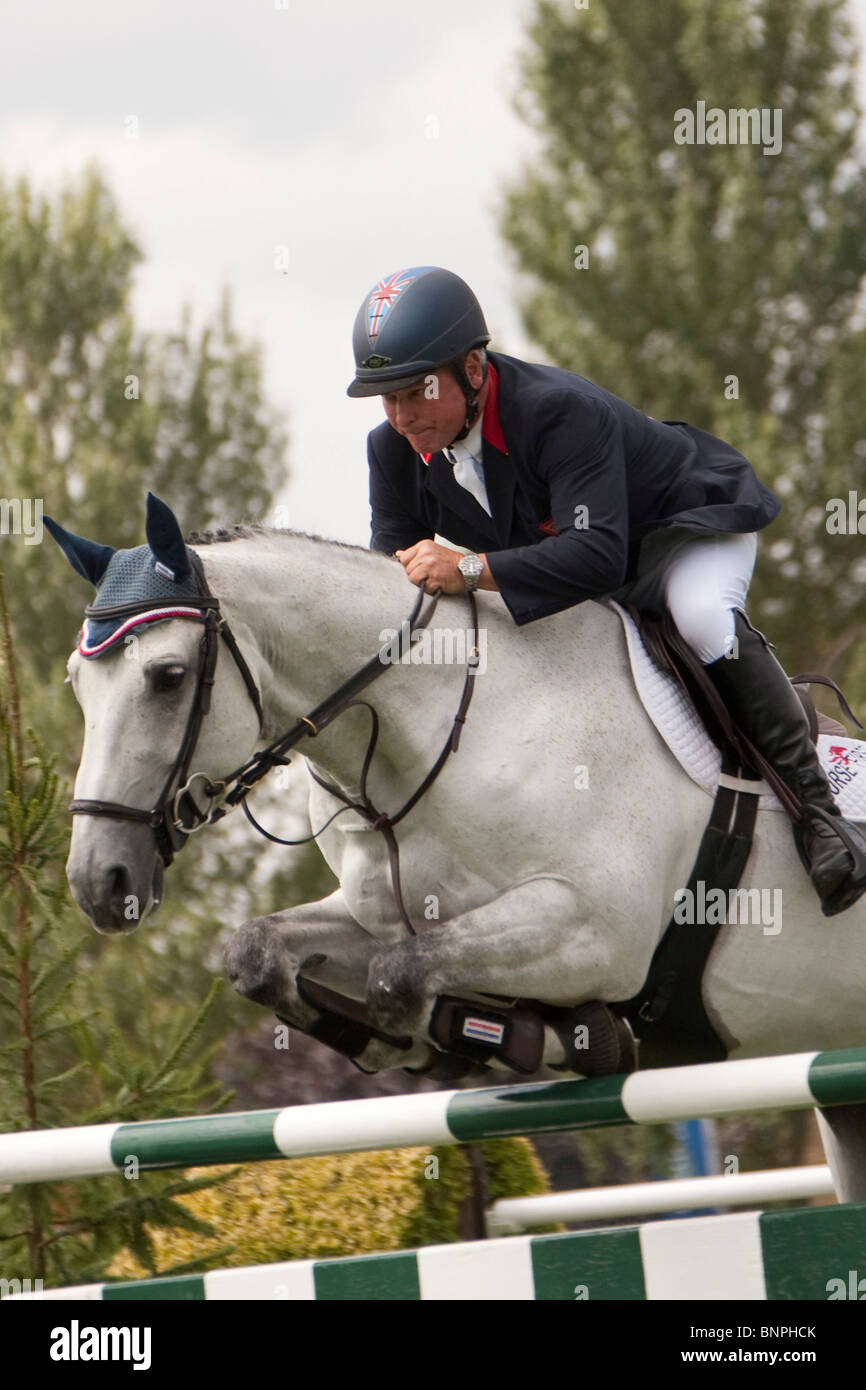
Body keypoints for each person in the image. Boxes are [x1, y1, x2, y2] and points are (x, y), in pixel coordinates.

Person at [348, 265, 866, 916]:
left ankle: (822, 819)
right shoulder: (391, 452)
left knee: (702, 618)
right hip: (591, 562)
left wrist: (473, 571)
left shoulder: (556, 413)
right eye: (385, 399)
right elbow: (389, 572)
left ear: (473, 370)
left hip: (680, 532)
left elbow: (596, 554)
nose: (399, 416)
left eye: (414, 393)